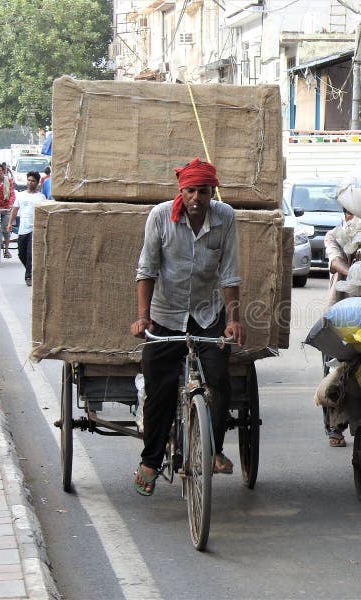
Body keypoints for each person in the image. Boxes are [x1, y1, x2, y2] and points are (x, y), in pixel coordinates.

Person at [130, 158, 244, 496]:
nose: (197, 197)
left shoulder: (225, 218)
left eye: (204, 191)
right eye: (191, 190)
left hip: (208, 313)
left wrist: (234, 319)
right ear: (181, 190)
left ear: (213, 192)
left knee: (220, 381)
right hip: (165, 314)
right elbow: (147, 269)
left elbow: (230, 273)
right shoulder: (161, 217)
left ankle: (213, 451)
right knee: (159, 388)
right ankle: (150, 461)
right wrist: (143, 315)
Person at [321, 208, 361, 447]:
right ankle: (335, 426)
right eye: (347, 213)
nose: (351, 217)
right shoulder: (334, 236)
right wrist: (357, 275)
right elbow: (335, 262)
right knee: (335, 365)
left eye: (354, 212)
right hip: (342, 305)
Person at [7, 171, 45, 286]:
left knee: (30, 254)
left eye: (33, 181)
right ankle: (31, 270)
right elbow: (15, 210)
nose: (30, 182)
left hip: (35, 229)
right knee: (21, 253)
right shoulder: (21, 195)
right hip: (23, 228)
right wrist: (9, 224)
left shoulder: (41, 197)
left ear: (37, 183)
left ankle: (28, 276)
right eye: (29, 180)